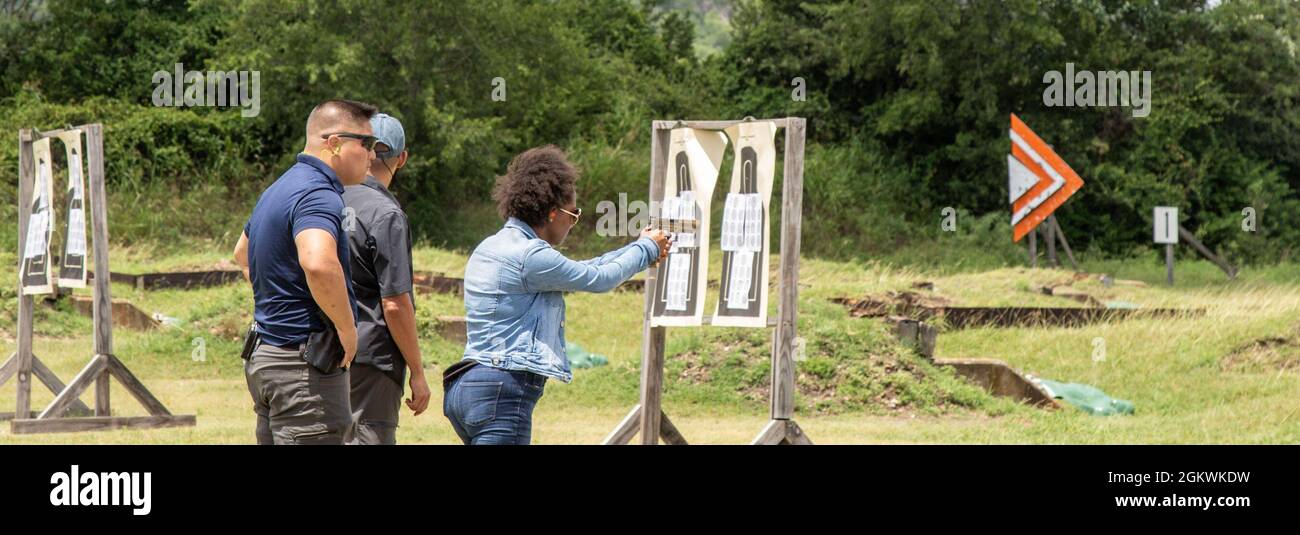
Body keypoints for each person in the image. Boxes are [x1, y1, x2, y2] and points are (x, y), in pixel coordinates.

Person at [442, 145, 671, 445]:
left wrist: (636, 251)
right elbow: (597, 279)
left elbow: (580, 269)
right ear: (552, 213)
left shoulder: (492, 246)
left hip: (469, 385)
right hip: (503, 391)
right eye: (574, 214)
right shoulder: (531, 256)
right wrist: (647, 249)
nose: (574, 222)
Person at [233, 99, 379, 444]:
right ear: (334, 143)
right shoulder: (317, 193)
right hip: (303, 368)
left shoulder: (279, 187)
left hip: (267, 356)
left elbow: (242, 254)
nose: (372, 156)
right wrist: (347, 328)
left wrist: (280, 307)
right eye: (367, 144)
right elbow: (318, 262)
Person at [341, 112, 431, 444]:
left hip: (321, 349)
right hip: (371, 356)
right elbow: (394, 303)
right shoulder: (387, 213)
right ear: (401, 158)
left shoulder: (324, 198)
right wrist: (418, 372)